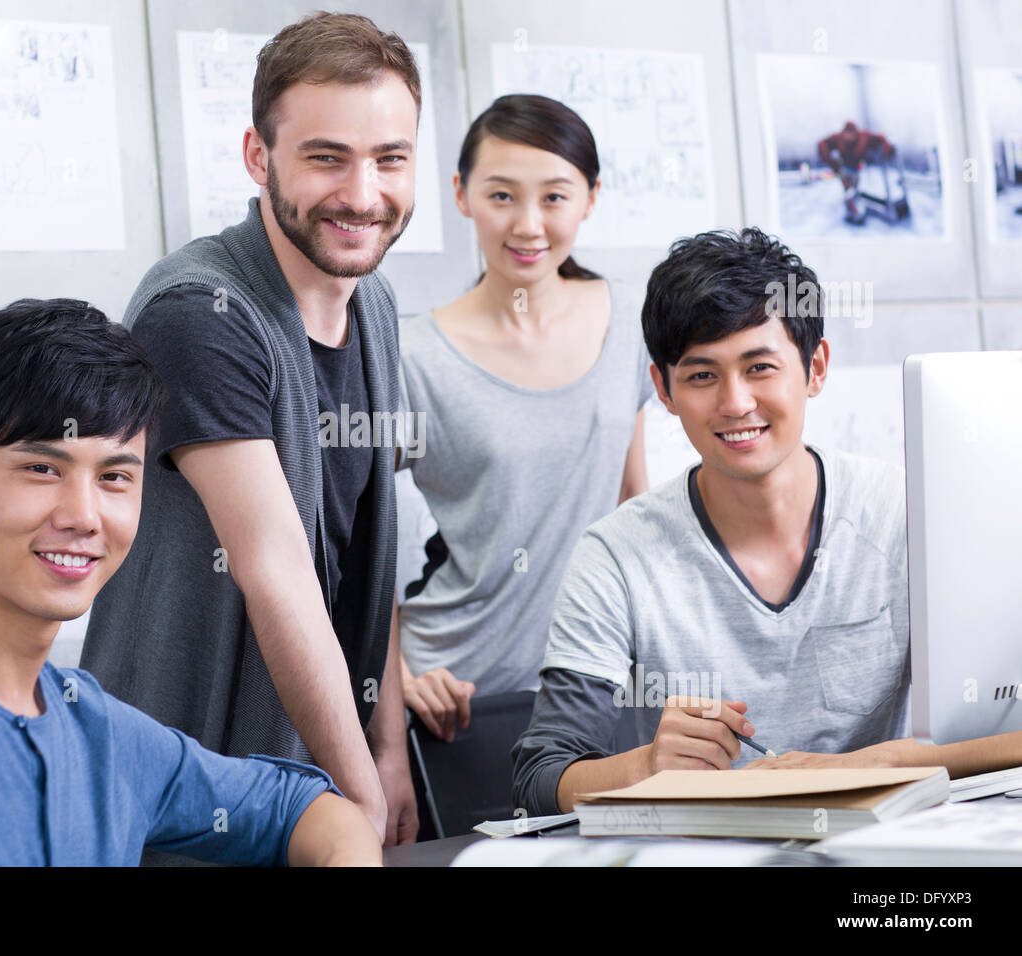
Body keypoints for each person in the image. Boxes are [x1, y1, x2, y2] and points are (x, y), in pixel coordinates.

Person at [0, 299, 382, 866]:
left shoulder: (97, 729)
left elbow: (309, 815)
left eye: (115, 478)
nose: (83, 516)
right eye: (41, 468)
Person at [80, 12, 418, 845]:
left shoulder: (373, 303)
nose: (364, 194)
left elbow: (374, 551)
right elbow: (277, 571)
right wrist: (358, 801)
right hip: (184, 771)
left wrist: (390, 747)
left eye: (390, 159)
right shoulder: (201, 312)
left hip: (310, 770)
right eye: (327, 157)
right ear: (258, 157)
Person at [512, 227, 917, 816]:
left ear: (815, 367)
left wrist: (861, 768)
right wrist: (646, 766)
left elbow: (1001, 720)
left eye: (760, 368)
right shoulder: (616, 556)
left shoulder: (905, 513)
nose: (734, 403)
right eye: (702, 375)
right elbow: (539, 776)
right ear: (664, 390)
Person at [395, 94, 651, 743]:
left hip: (594, 684)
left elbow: (632, 502)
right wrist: (391, 672)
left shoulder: (631, 320)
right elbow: (336, 538)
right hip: (452, 696)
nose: (528, 224)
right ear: (461, 194)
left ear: (590, 197)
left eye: (555, 197)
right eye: (502, 196)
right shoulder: (414, 354)